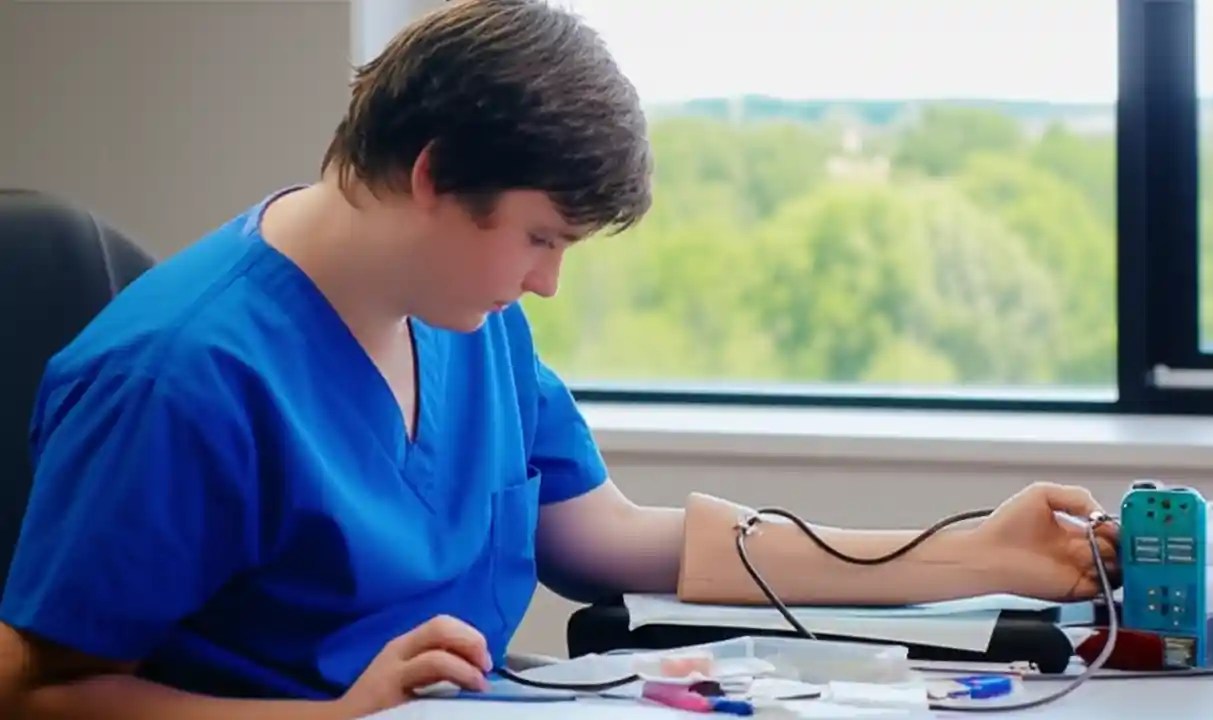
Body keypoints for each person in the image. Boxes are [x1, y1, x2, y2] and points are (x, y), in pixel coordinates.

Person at [0, 1, 1119, 718]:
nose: (545, 282)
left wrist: (975, 553)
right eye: (541, 239)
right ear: (435, 175)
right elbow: (36, 688)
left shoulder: (463, 316)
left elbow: (607, 537)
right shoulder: (180, 376)